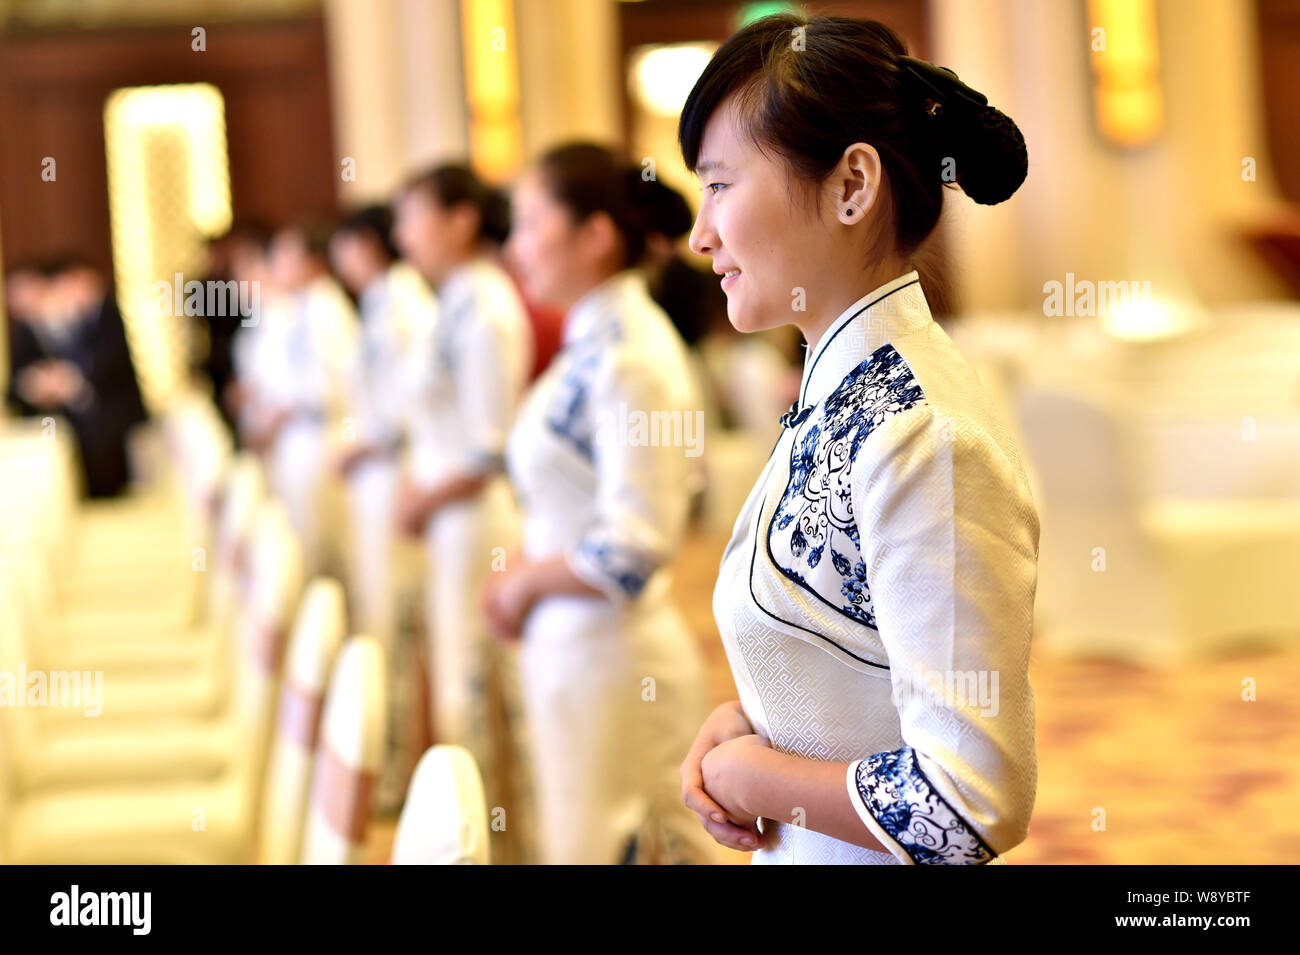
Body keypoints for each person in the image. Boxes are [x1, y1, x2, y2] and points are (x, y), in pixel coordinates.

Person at [676, 13, 1040, 865]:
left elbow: (965, 804)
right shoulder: (843, 391)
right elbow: (851, 663)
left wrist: (755, 775)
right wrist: (749, 721)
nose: (701, 236)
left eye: (722, 186)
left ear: (852, 185)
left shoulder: (923, 434)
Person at [486, 142, 717, 865]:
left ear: (595, 235)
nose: (515, 246)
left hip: (614, 656)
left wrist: (525, 578)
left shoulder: (632, 356)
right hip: (574, 648)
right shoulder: (593, 338)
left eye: (529, 223)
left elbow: (633, 546)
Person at [391, 164, 534, 863]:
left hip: (477, 521)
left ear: (460, 220)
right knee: (457, 688)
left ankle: (490, 844)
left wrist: (423, 494)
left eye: (413, 216)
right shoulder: (449, 299)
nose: (402, 234)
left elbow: (490, 444)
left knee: (475, 695)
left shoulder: (483, 302)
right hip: (449, 520)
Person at [242, 220, 358, 576]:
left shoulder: (324, 308)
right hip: (297, 435)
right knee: (300, 538)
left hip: (316, 434)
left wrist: (276, 415)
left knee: (315, 545)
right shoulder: (305, 306)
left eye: (285, 255)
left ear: (313, 261)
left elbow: (325, 386)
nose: (276, 264)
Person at [5, 256, 147, 497]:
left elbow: (106, 362)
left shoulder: (90, 314)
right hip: (51, 413)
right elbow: (17, 382)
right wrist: (38, 383)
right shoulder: (26, 330)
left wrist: (70, 379)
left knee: (95, 432)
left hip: (101, 405)